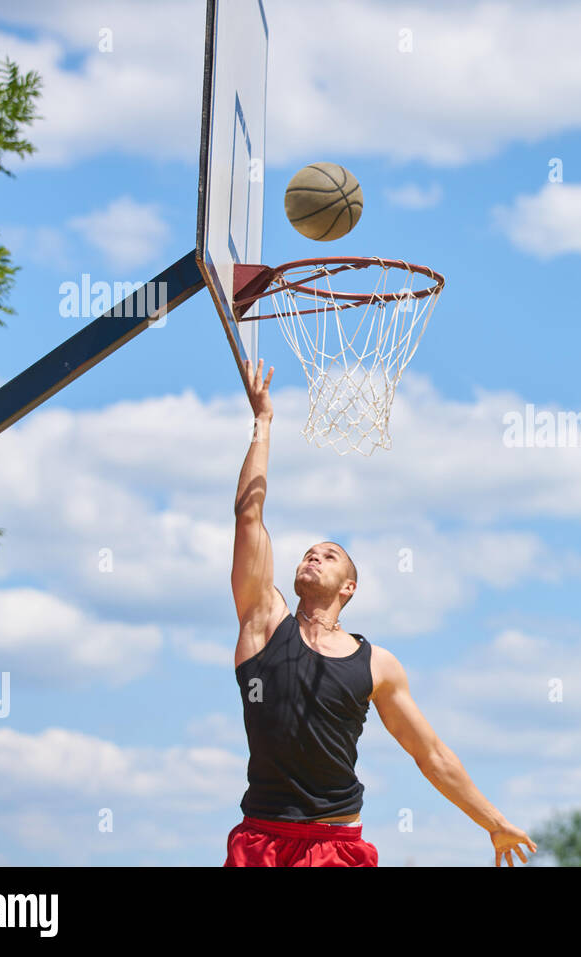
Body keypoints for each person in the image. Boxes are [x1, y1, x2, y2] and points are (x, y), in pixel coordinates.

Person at [223, 359, 538, 867]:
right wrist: (262, 424)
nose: (312, 556)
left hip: (336, 844)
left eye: (328, 555)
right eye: (307, 552)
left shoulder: (377, 665)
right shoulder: (263, 623)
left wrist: (494, 823)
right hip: (262, 838)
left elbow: (430, 754)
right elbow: (248, 517)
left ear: (349, 587)